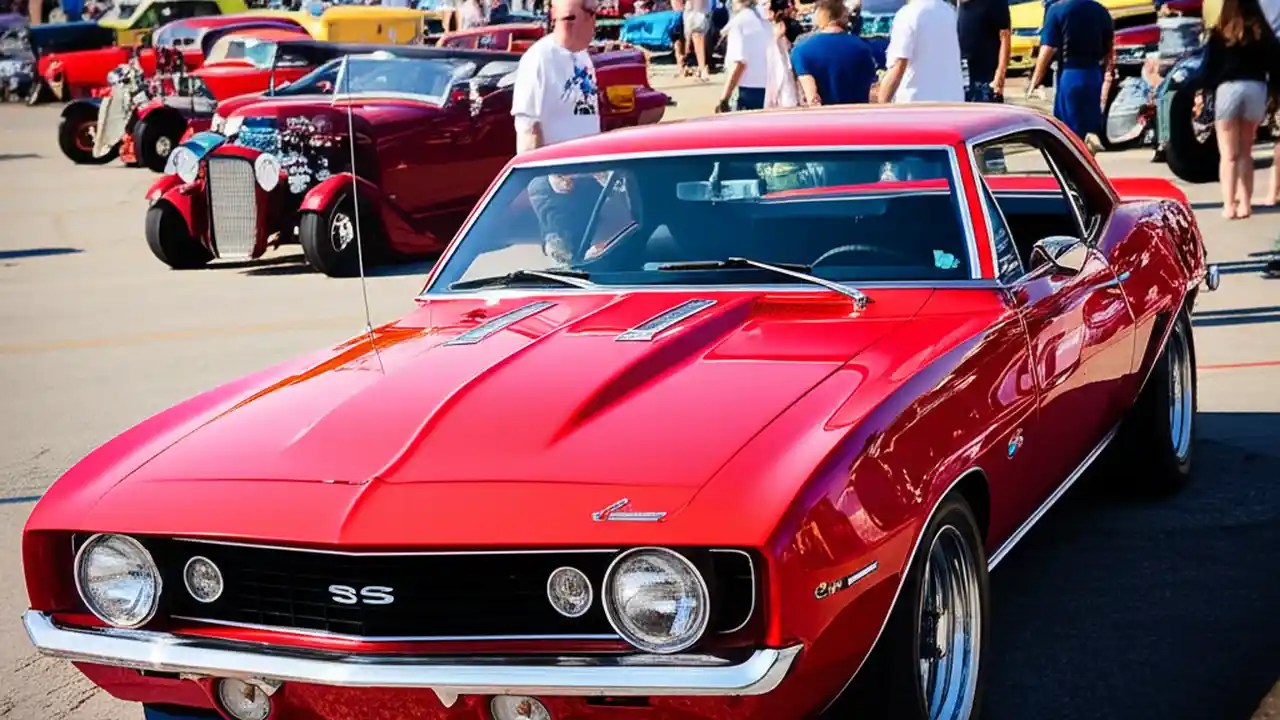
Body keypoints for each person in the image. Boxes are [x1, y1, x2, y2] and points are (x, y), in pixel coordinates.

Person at [1199, 0, 1279, 218]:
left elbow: (1208, 68)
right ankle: (1245, 204)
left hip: (1227, 90)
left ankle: (1229, 205)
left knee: (1228, 155)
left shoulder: (1219, 32)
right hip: (1255, 88)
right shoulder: (1259, 31)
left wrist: (1202, 90)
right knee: (1245, 152)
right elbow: (1275, 60)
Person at [1027, 0, 1113, 151]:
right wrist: (1108, 72)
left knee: (1068, 130)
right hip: (1093, 74)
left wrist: (1035, 79)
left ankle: (1074, 162)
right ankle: (1089, 148)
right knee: (1088, 122)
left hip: (1070, 73)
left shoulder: (1057, 10)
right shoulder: (1100, 10)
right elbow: (1109, 47)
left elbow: (1048, 49)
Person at [791, 0, 878, 105]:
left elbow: (812, 97)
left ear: (818, 16)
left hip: (824, 117)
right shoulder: (863, 49)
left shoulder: (801, 50)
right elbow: (871, 87)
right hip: (857, 115)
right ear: (844, 15)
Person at [876, 0, 965, 102]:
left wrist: (882, 105)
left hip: (917, 106)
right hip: (952, 103)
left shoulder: (908, 14)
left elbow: (899, 66)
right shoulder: (949, 11)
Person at [717, 0, 771, 110]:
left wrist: (724, 98)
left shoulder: (739, 23)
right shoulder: (766, 17)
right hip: (771, 87)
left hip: (748, 91)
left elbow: (739, 64)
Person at [957, 0, 1011, 102]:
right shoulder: (954, 5)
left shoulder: (994, 2)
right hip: (963, 75)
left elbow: (1005, 36)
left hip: (986, 80)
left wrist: (1000, 75)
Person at [763, 0, 800, 106]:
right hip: (777, 73)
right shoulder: (772, 28)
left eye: (766, 5)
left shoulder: (785, 28)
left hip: (784, 72)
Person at [685, 0, 713, 81]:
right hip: (698, 11)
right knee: (698, 42)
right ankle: (701, 67)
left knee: (698, 41)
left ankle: (702, 68)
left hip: (697, 12)